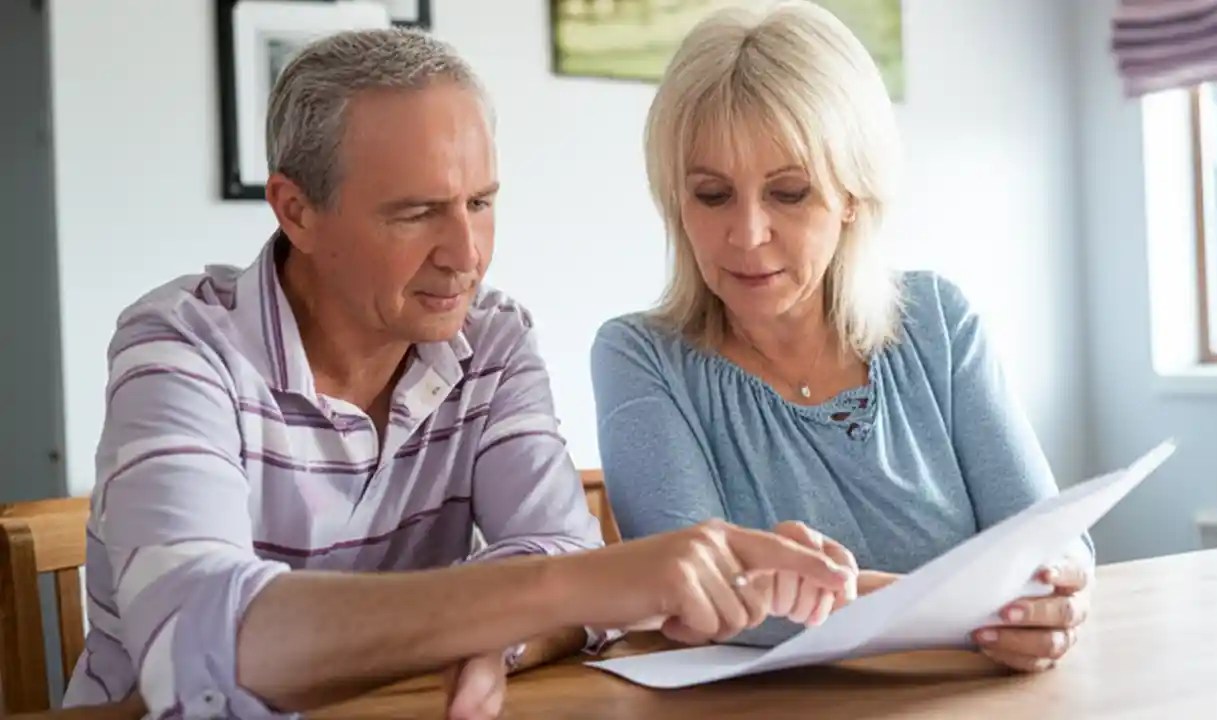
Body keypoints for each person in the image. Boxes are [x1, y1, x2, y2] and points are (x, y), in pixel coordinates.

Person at [61, 28, 863, 720]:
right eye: (416, 212)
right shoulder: (179, 345)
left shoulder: (492, 341)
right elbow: (200, 640)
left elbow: (552, 545)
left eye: (481, 203)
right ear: (295, 210)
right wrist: (548, 595)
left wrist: (502, 630)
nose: (467, 255)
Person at [591, 1, 1093, 672]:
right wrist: (973, 606)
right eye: (712, 195)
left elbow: (1052, 543)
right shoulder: (639, 358)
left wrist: (1056, 587)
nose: (746, 234)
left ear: (853, 193)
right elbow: (700, 601)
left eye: (790, 193)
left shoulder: (938, 320)